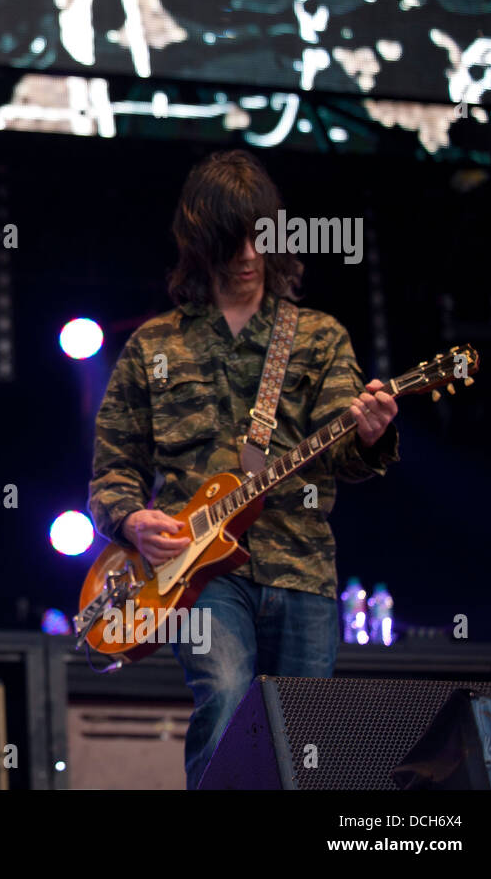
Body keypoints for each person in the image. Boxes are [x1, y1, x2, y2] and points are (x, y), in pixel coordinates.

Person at [88, 150, 399, 790]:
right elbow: (113, 469)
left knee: (303, 741)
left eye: (260, 236)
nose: (249, 254)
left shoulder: (318, 337)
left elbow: (347, 454)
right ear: (201, 242)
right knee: (227, 699)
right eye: (232, 240)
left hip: (300, 565)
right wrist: (132, 521)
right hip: (196, 575)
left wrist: (371, 435)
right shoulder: (154, 346)